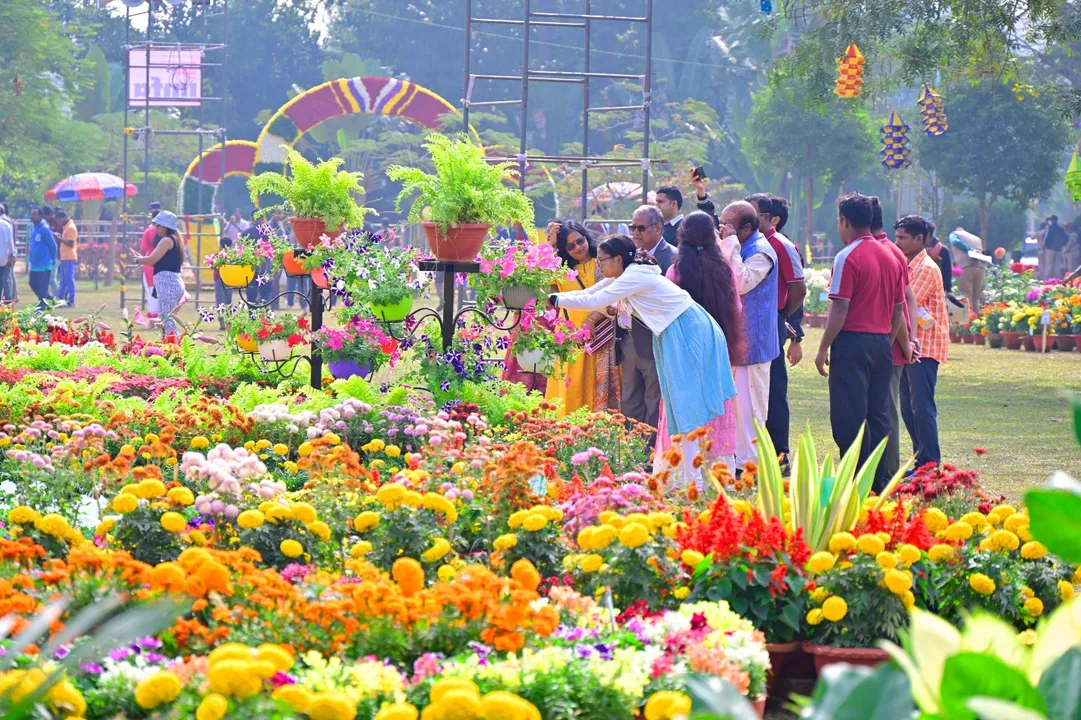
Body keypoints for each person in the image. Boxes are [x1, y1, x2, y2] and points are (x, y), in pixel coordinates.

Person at [549, 235, 736, 471]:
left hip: (690, 330)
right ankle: (683, 472)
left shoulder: (634, 275)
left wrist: (554, 300)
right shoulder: (626, 274)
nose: (599, 266)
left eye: (602, 261)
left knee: (687, 402)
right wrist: (553, 298)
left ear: (617, 260)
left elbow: (596, 300)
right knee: (679, 404)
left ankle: (694, 475)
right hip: (675, 331)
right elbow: (591, 294)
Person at [815, 193, 908, 493]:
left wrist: (822, 348)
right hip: (882, 342)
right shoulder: (892, 255)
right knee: (879, 415)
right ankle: (880, 482)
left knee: (849, 416)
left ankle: (855, 482)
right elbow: (898, 310)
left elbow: (839, 307)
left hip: (852, 342)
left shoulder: (848, 256)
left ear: (844, 221)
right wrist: (885, 340)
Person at [655, 211, 742, 479]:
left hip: (682, 351)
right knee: (716, 403)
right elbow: (736, 308)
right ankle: (719, 475)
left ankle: (683, 475)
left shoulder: (676, 271)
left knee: (683, 405)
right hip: (718, 345)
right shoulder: (724, 268)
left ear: (682, 236)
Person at [746, 193, 806, 470]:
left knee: (774, 390)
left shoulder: (780, 244)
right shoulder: (750, 243)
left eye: (754, 214)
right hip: (752, 326)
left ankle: (780, 455)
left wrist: (782, 315)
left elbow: (798, 287)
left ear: (770, 218)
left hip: (772, 324)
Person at [719, 200, 778, 471]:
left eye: (728, 226)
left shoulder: (762, 252)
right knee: (732, 407)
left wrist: (729, 244)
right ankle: (736, 461)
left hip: (753, 344)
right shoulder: (739, 244)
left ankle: (751, 466)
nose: (723, 230)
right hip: (733, 341)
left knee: (751, 410)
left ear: (747, 227)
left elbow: (741, 283)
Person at [544, 220, 621, 415]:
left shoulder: (602, 262)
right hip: (570, 337)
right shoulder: (562, 270)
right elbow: (548, 295)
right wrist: (551, 246)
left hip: (598, 334)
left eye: (580, 241)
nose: (578, 248)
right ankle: (566, 433)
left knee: (595, 388)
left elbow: (613, 295)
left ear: (586, 237)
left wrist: (591, 321)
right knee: (569, 389)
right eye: (570, 246)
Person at [894, 215, 948, 470]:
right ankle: (920, 461)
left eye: (902, 237)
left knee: (921, 407)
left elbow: (904, 302)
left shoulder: (925, 268)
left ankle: (929, 463)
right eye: (897, 237)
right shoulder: (907, 264)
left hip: (924, 348)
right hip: (911, 346)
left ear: (919, 239)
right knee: (909, 407)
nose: (898, 242)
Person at [871, 198, 919, 484]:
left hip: (886, 345)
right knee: (885, 410)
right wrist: (909, 339)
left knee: (884, 412)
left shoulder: (878, 252)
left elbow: (897, 305)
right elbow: (908, 298)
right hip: (894, 343)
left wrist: (904, 342)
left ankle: (887, 474)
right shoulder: (894, 252)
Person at [622, 205, 676, 429]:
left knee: (654, 401)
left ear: (659, 228)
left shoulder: (672, 256)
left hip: (654, 341)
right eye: (632, 227)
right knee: (629, 401)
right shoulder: (628, 255)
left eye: (641, 228)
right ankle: (631, 453)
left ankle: (651, 457)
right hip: (626, 340)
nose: (635, 233)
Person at [132, 211, 185, 338]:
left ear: (165, 225)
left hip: (168, 285)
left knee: (167, 322)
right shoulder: (176, 240)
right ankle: (170, 348)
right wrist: (143, 259)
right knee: (167, 320)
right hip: (173, 283)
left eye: (158, 225)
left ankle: (173, 350)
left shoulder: (166, 240)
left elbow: (152, 260)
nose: (156, 228)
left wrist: (138, 259)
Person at [950, 224, 987, 313]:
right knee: (976, 298)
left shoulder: (954, 234)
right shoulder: (977, 238)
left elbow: (954, 241)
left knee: (966, 296)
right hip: (980, 268)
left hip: (966, 267)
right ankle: (977, 321)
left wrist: (969, 249)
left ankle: (967, 322)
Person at [27, 208, 58, 310]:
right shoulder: (33, 228)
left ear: (41, 216)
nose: (31, 216)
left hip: (45, 263)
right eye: (31, 214)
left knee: (42, 288)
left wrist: (53, 258)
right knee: (32, 283)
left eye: (34, 214)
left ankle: (42, 308)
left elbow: (53, 245)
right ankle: (50, 299)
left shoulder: (45, 229)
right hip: (35, 264)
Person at [140, 202, 163, 317]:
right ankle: (162, 314)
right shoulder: (167, 231)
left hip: (149, 263)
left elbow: (143, 249)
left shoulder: (148, 231)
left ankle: (154, 315)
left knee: (151, 291)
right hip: (163, 262)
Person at [55, 209, 78, 308]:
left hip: (69, 257)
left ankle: (71, 301)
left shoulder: (70, 228)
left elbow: (71, 243)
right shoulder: (66, 226)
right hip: (64, 258)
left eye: (60, 220)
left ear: (64, 217)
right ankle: (60, 300)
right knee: (63, 281)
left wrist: (60, 239)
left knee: (69, 280)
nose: (59, 223)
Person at [1043, 215, 1069, 280]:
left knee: (1049, 265)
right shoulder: (1061, 229)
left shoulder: (1050, 228)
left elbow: (1046, 239)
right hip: (1058, 249)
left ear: (1052, 220)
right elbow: (1066, 239)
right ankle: (1058, 279)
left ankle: (1047, 279)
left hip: (1050, 249)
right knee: (1057, 266)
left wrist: (1046, 247)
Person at [0, 204, 14, 304]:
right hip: (4, 258)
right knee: (6, 281)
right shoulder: (7, 225)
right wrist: (10, 257)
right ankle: (8, 304)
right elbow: (10, 244)